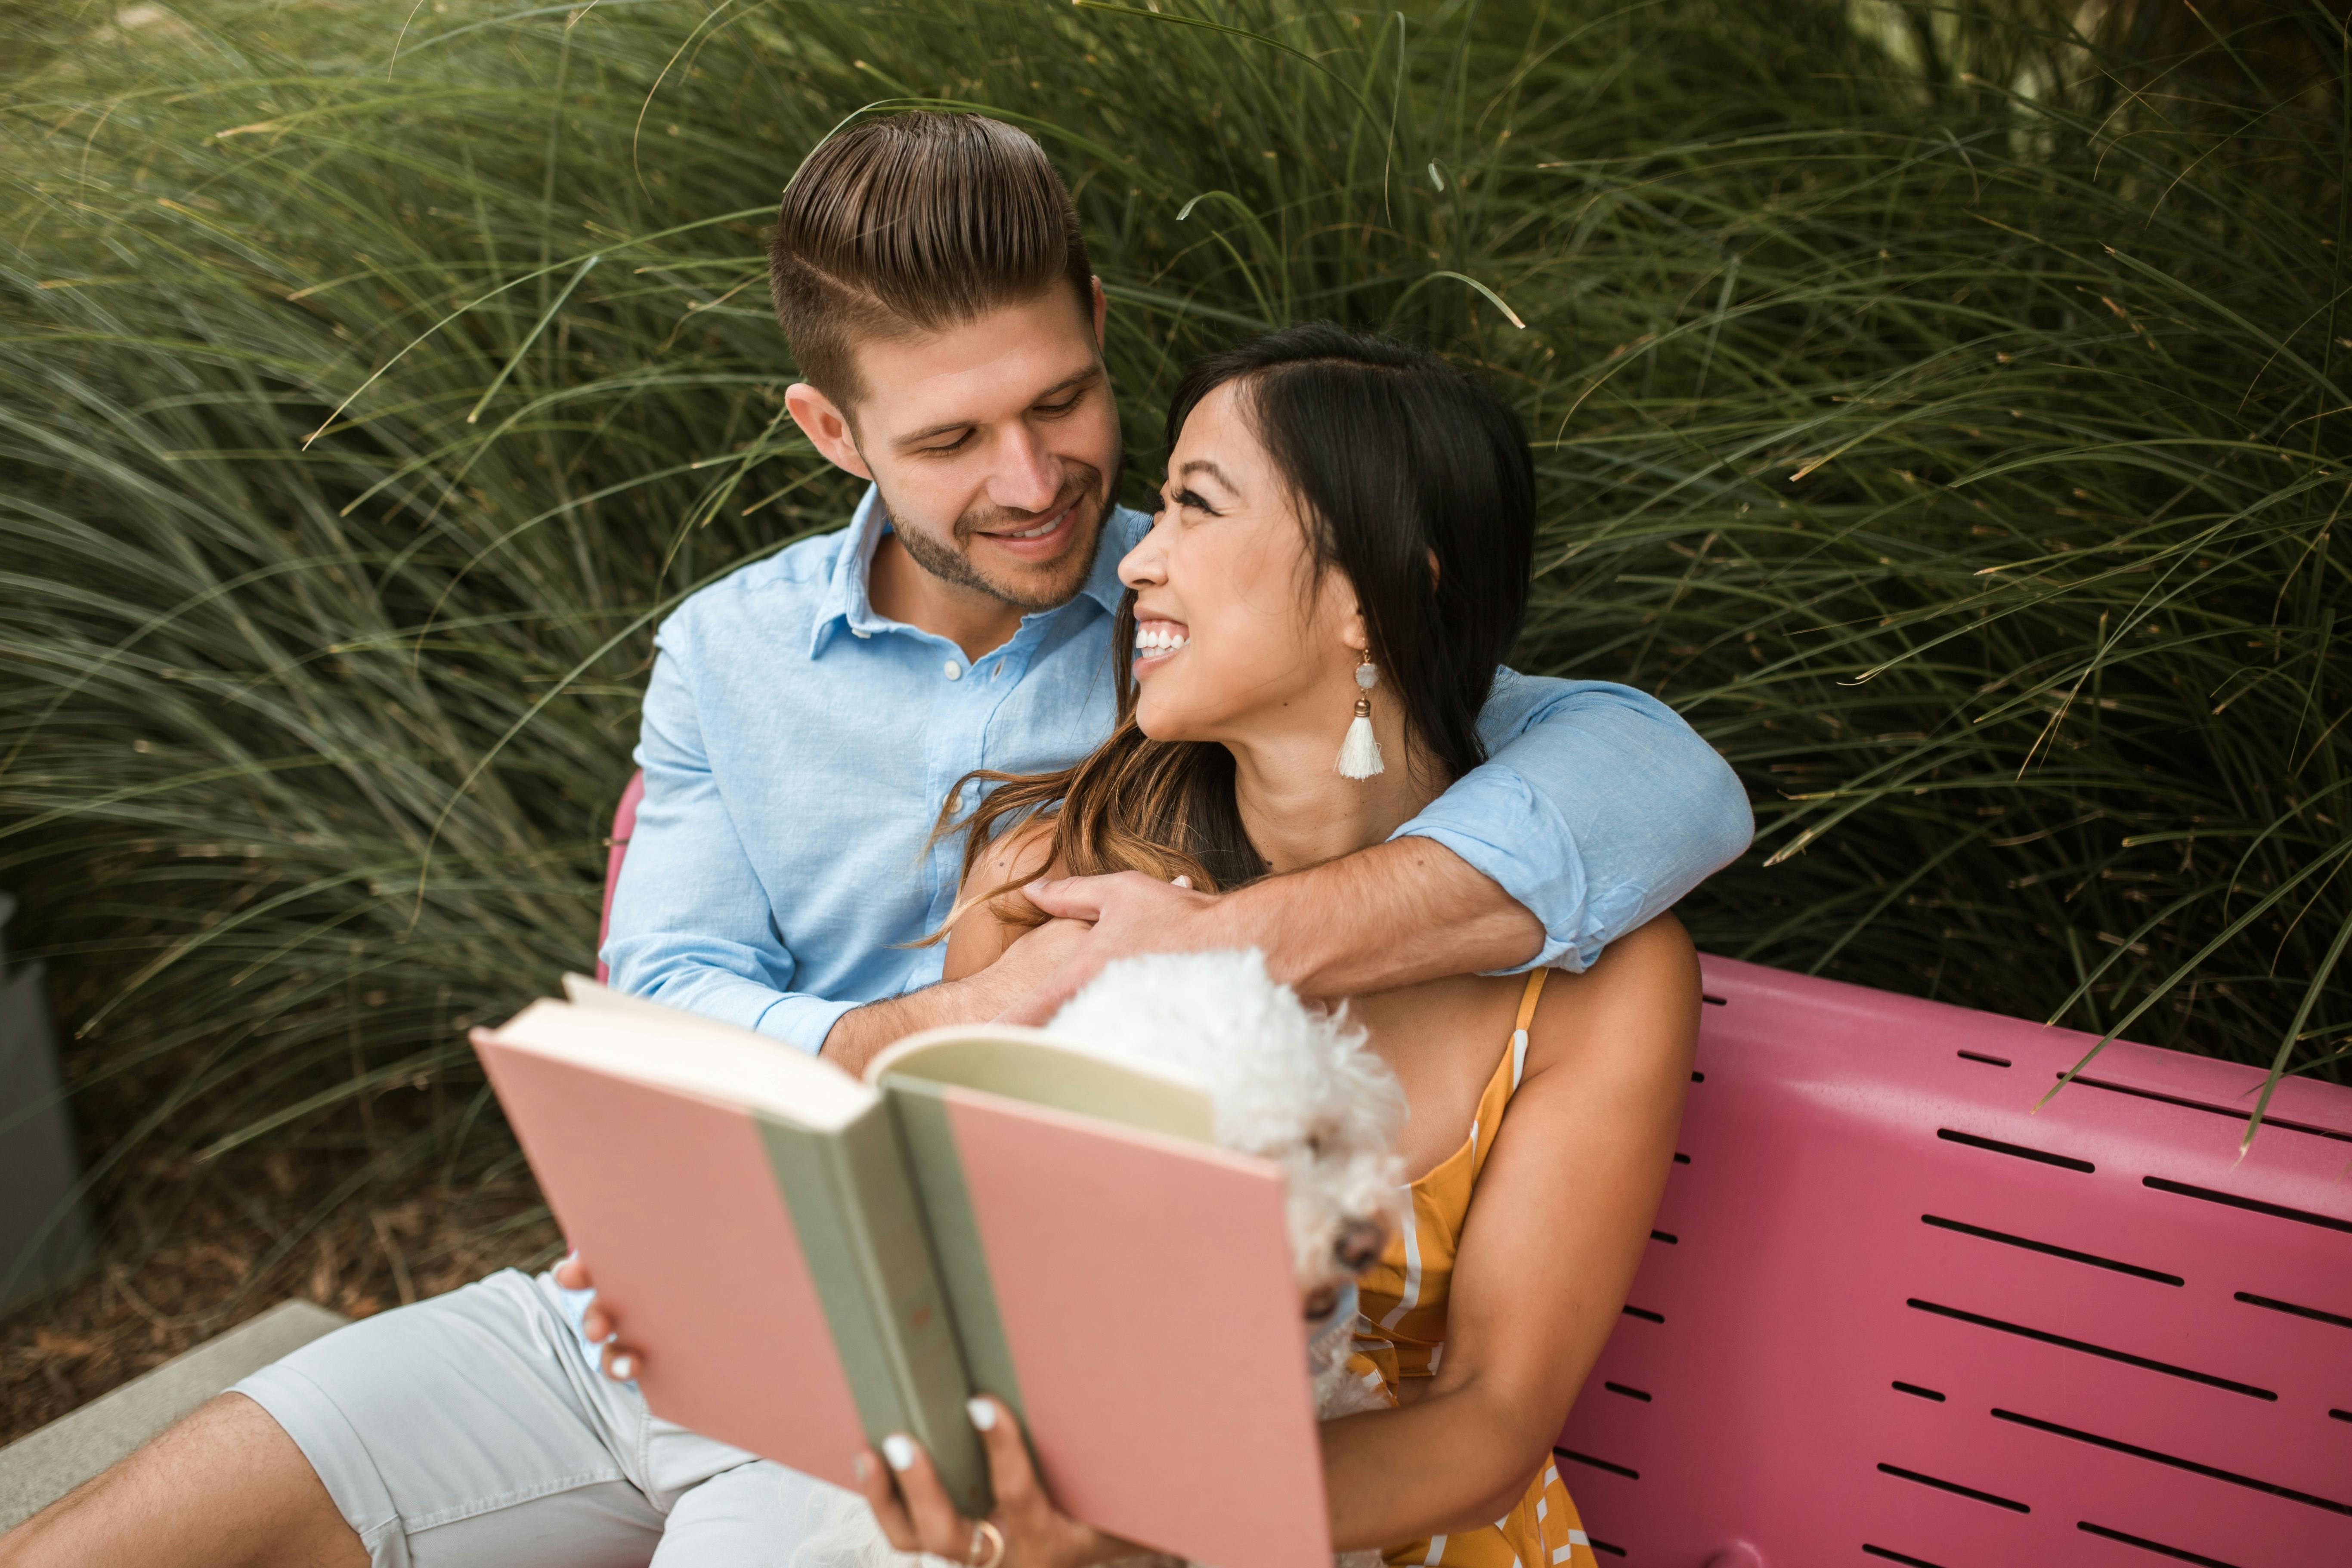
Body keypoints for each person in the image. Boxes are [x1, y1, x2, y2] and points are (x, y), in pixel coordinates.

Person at [0, 114, 1742, 1568]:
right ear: (830, 432)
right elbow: (671, 989)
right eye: (951, 437)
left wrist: (1216, 940)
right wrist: (791, 1147)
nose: (1055, 492)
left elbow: (1650, 777)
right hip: (684, 1304)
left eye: (1064, 404)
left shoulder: (1204, 644)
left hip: (949, 1431)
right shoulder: (784, 684)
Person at [847, 324, 1696, 1568]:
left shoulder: (1603, 981)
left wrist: (1151, 1527)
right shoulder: (1049, 885)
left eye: (1196, 508)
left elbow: (1492, 1422)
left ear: (1367, 593)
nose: (1138, 559)